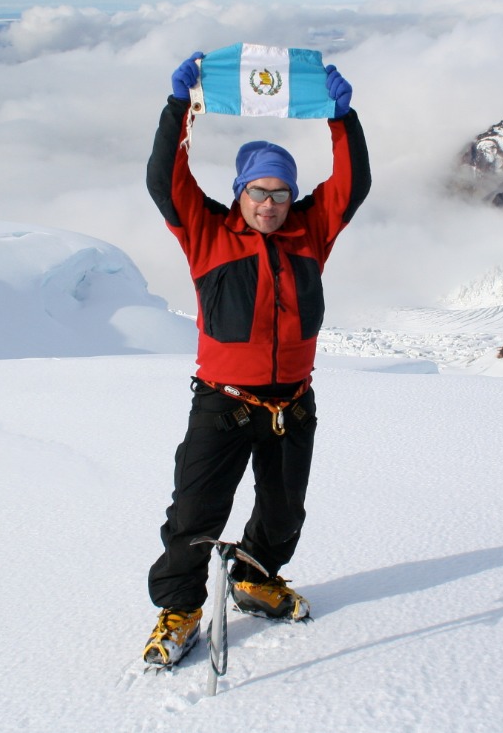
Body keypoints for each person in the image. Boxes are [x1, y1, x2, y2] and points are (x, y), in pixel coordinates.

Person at [141, 52, 371, 666]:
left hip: (293, 403)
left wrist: (342, 120)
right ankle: (181, 608)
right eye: (259, 192)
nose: (270, 204)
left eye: (281, 193)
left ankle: (253, 575)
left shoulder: (310, 234)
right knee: (194, 514)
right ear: (240, 193)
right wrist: (177, 108)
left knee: (283, 510)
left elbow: (353, 186)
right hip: (224, 403)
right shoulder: (207, 234)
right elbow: (166, 182)